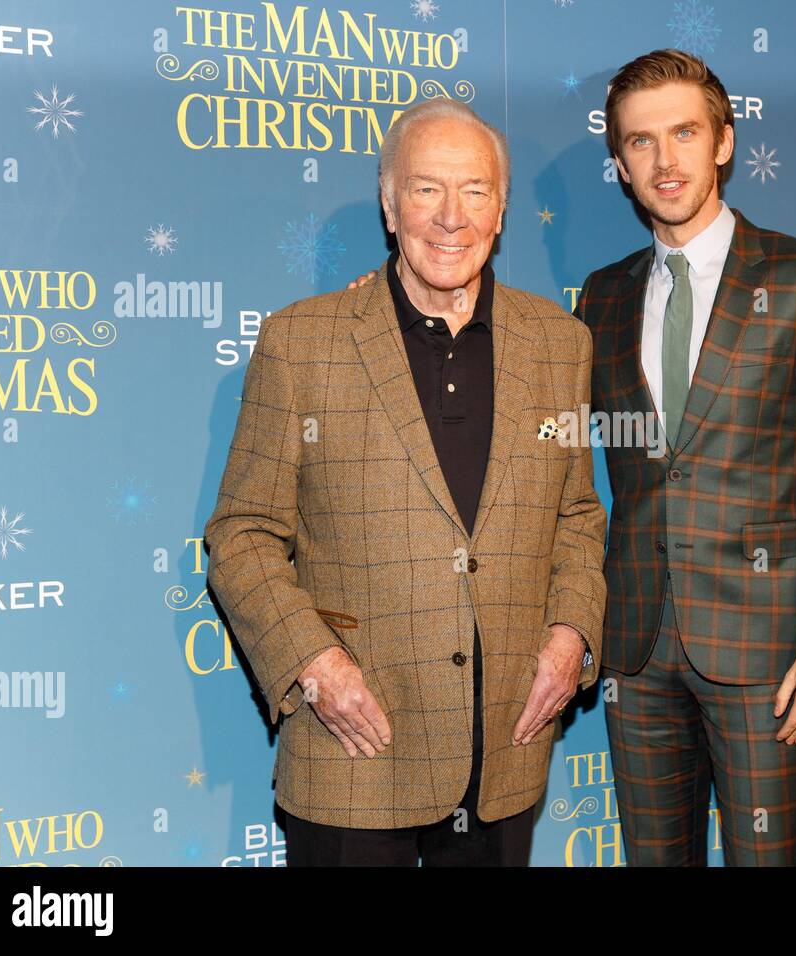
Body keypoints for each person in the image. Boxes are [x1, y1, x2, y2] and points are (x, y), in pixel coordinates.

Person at [204, 98, 606, 866]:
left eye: (475, 191)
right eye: (426, 189)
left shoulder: (561, 343)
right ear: (390, 207)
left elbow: (578, 516)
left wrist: (571, 637)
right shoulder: (301, 341)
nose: (450, 217)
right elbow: (243, 535)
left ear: (501, 210)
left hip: (504, 751)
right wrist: (314, 666)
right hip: (354, 749)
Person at [578, 49, 796, 866]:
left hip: (770, 654)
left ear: (724, 142)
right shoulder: (601, 295)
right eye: (640, 142)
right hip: (634, 648)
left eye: (683, 132)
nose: (664, 160)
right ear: (621, 163)